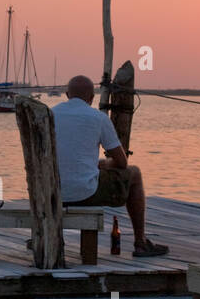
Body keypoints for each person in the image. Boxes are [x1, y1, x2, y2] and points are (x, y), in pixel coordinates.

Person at [52, 74, 168, 257]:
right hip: (85, 193)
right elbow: (122, 163)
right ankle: (140, 242)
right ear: (92, 97)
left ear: (67, 95)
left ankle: (44, 237)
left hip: (51, 192)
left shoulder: (50, 114)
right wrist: (104, 164)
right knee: (135, 173)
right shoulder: (98, 118)